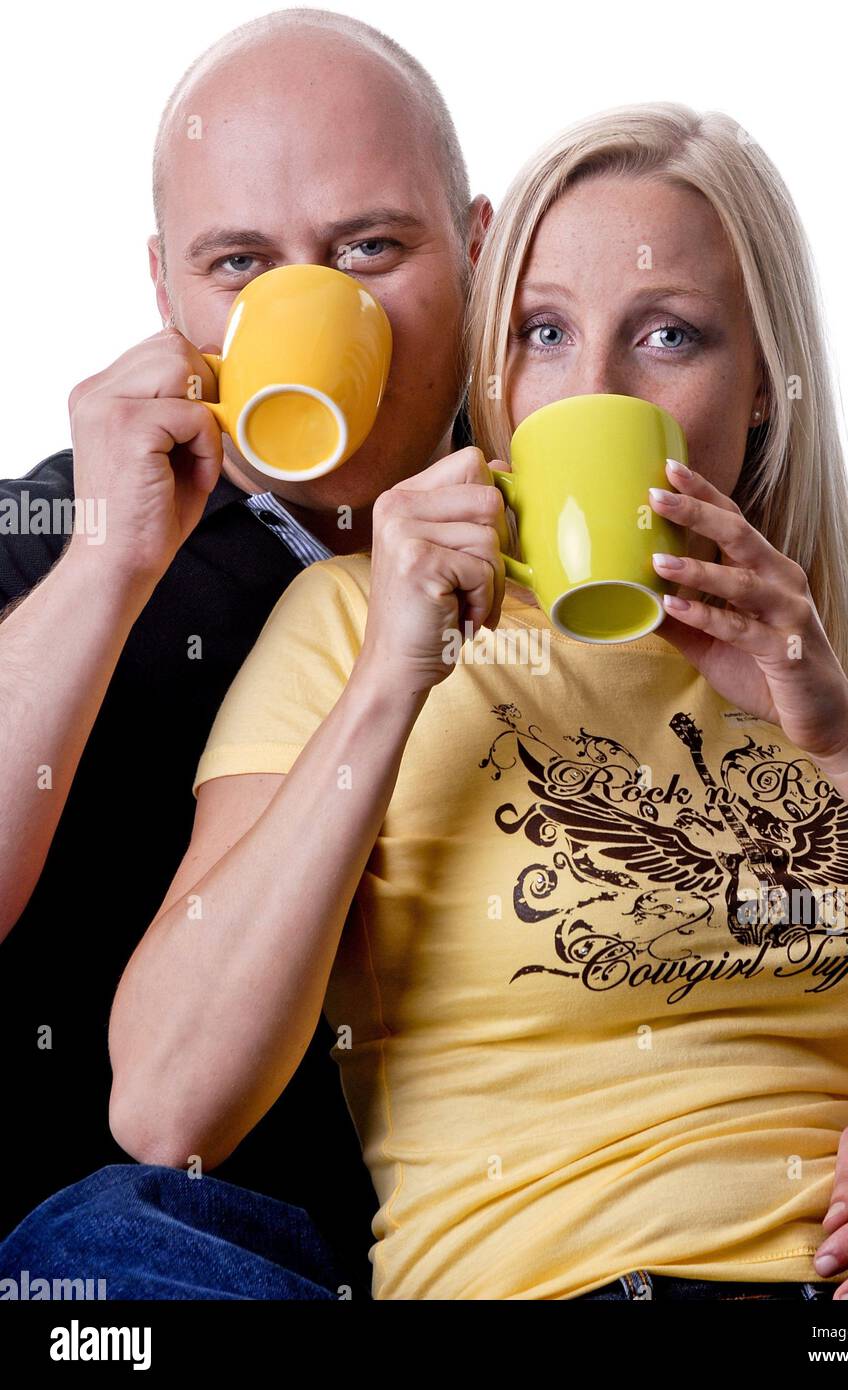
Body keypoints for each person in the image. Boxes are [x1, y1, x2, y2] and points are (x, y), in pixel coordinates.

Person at [98, 103, 848, 1301]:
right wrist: (392, 685)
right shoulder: (355, 624)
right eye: (544, 332)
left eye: (669, 334)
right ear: (492, 366)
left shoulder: (826, 650)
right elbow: (168, 1106)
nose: (590, 392)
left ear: (768, 387)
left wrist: (846, 734)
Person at [0, 8, 487, 1288]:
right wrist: (107, 566)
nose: (307, 304)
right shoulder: (54, 538)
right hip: (144, 1252)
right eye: (239, 268)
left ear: (479, 250)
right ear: (163, 290)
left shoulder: (585, 509)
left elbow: (819, 807)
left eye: (370, 247)